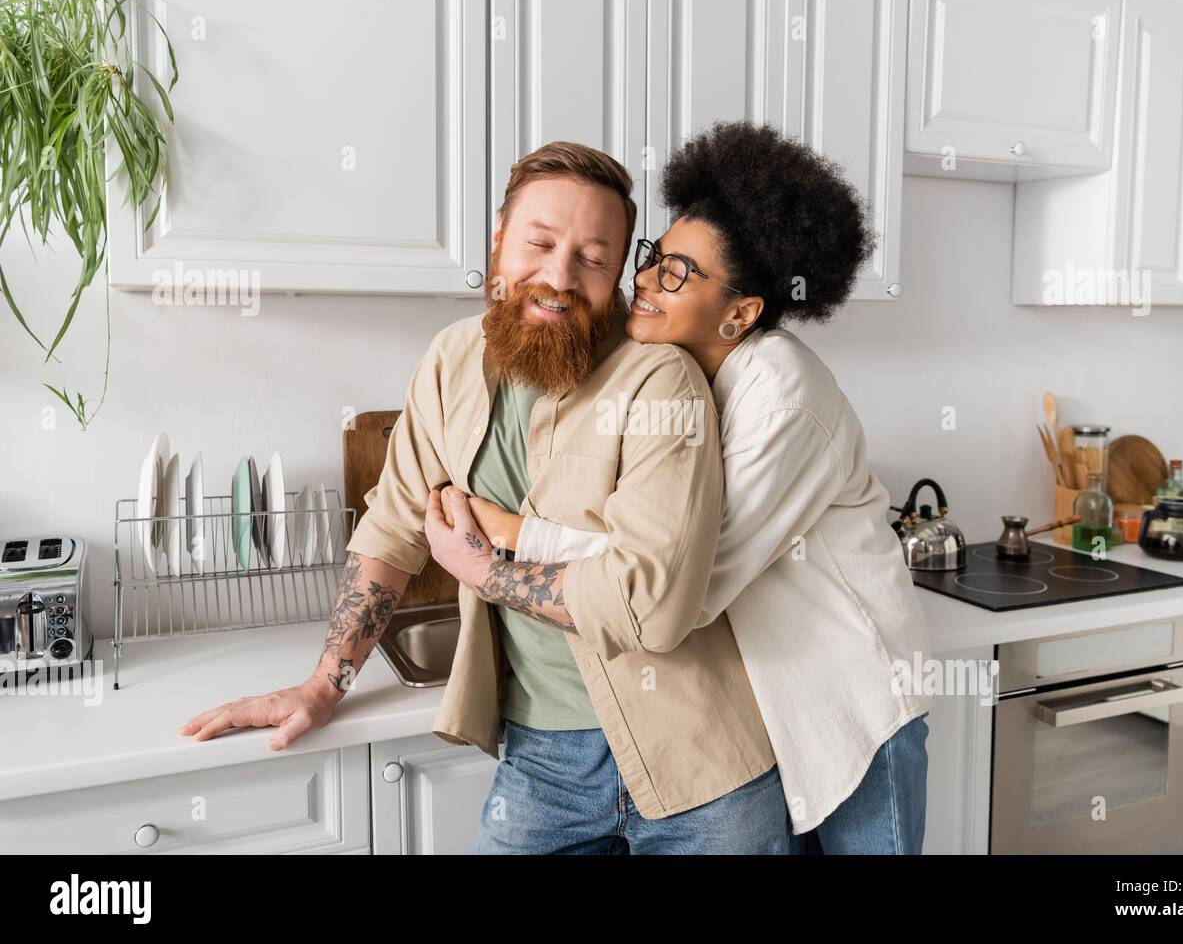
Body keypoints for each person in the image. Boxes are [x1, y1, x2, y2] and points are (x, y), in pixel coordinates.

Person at [180, 140, 788, 854]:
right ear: (498, 241)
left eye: (593, 257)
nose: (558, 275)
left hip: (700, 760)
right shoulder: (450, 360)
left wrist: (484, 571)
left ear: (619, 272)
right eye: (539, 242)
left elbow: (650, 606)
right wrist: (323, 684)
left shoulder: (661, 383)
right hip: (543, 762)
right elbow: (395, 529)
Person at [433, 121, 935, 854]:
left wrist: (508, 538)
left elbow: (681, 584)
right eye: (653, 259)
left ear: (740, 313)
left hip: (853, 705)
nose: (641, 280)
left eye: (676, 273)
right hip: (778, 706)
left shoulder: (782, 392)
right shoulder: (692, 375)